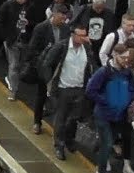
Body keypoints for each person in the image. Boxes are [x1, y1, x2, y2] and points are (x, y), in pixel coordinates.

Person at [85, 43, 134, 173]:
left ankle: (100, 156)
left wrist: (129, 98)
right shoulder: (103, 72)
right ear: (115, 55)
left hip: (119, 115)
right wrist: (107, 100)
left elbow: (132, 89)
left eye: (127, 58)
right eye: (123, 58)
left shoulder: (127, 73)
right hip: (104, 114)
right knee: (108, 143)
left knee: (109, 142)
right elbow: (90, 91)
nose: (126, 61)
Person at [42, 25, 99, 162]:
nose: (84, 38)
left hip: (80, 89)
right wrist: (50, 83)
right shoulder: (61, 47)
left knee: (74, 118)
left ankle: (69, 140)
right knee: (61, 119)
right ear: (73, 35)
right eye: (80, 35)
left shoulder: (87, 48)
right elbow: (47, 64)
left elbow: (93, 66)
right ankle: (59, 145)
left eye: (85, 35)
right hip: (63, 88)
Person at [23, 7, 69, 132]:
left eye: (65, 18)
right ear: (54, 14)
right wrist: (40, 62)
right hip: (44, 66)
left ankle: (57, 126)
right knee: (41, 94)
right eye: (61, 17)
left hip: (59, 68)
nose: (63, 20)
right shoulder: (41, 28)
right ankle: (37, 122)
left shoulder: (65, 29)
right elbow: (33, 48)